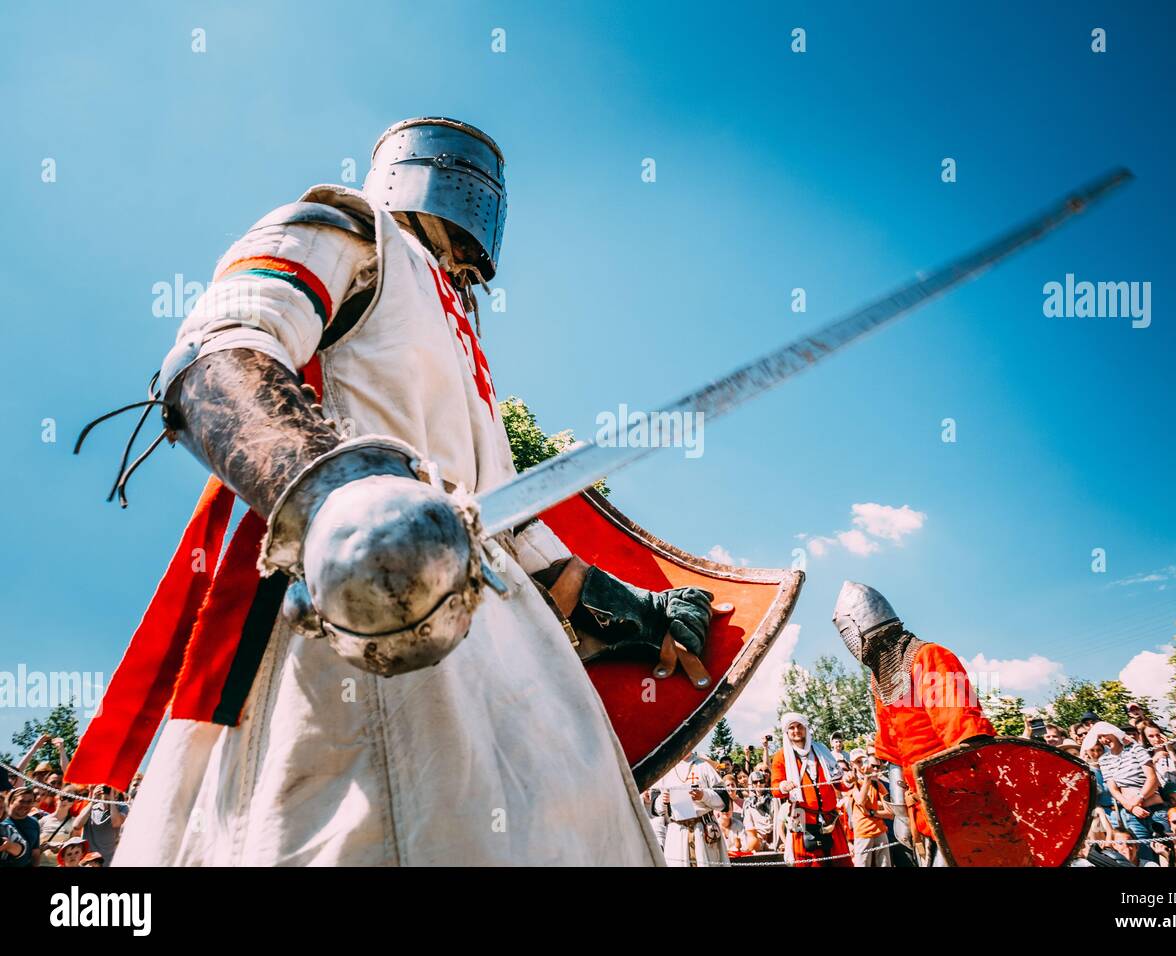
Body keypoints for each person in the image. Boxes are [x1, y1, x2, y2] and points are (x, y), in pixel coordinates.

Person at [68, 117, 717, 867]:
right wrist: (333, 502)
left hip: (514, 666)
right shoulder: (350, 226)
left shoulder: (463, 326)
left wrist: (634, 609)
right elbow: (219, 353)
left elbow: (510, 523)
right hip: (361, 611)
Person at [831, 582, 996, 866]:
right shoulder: (881, 679)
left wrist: (957, 802)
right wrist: (901, 813)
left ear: (864, 631)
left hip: (962, 803)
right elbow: (893, 751)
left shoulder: (931, 657)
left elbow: (964, 736)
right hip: (921, 806)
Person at [770, 713, 853, 867]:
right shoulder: (780, 756)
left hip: (830, 818)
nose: (796, 730)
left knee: (841, 862)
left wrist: (847, 780)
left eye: (799, 726)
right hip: (802, 819)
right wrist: (783, 786)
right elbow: (775, 788)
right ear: (786, 732)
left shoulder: (821, 749)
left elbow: (839, 782)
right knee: (809, 863)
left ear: (806, 728)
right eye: (792, 728)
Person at [1083, 721, 1169, 865]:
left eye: (1105, 735)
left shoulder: (1135, 749)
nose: (1104, 740)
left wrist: (1137, 800)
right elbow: (1113, 789)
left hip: (1155, 809)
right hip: (1131, 814)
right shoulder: (1104, 760)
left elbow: (1152, 778)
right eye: (1100, 738)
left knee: (1166, 851)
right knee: (1142, 856)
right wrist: (1131, 807)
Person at [656, 752, 730, 867]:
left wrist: (703, 795)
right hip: (677, 832)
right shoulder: (664, 768)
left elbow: (724, 802)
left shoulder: (704, 766)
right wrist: (663, 800)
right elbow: (654, 806)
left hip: (703, 829)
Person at [847, 748, 893, 867]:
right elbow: (860, 801)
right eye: (858, 762)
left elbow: (891, 813)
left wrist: (872, 813)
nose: (862, 765)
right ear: (852, 765)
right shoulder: (853, 783)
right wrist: (867, 779)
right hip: (863, 833)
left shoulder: (877, 783)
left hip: (880, 832)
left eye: (863, 761)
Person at [0, 788, 40, 868]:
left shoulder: (34, 823)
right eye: (21, 801)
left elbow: (35, 852)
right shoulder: (2, 822)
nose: (25, 805)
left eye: (29, 802)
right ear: (11, 801)